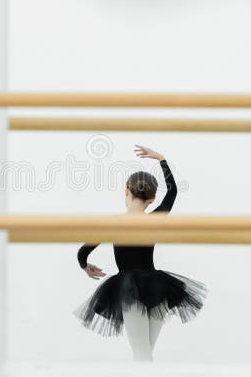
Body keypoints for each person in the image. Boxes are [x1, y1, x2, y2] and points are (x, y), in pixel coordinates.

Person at [73, 144, 207, 361]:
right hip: (158, 287)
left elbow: (83, 252)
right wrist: (161, 159)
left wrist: (85, 266)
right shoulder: (154, 219)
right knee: (146, 352)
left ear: (126, 190)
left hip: (128, 289)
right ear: (152, 199)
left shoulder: (113, 224)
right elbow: (172, 192)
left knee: (141, 352)